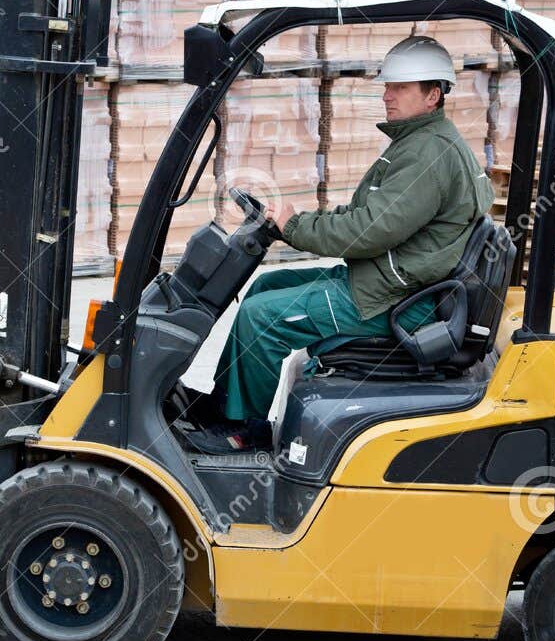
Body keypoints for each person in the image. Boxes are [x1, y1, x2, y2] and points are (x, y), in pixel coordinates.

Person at [208, 36, 495, 438]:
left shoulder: (427, 155)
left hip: (396, 301)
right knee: (264, 287)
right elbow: (365, 215)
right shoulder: (419, 143)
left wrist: (294, 227)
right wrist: (297, 221)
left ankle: (241, 431)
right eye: (387, 86)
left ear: (433, 95)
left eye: (399, 87)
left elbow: (368, 232)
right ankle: (223, 408)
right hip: (390, 284)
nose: (386, 95)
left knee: (261, 318)